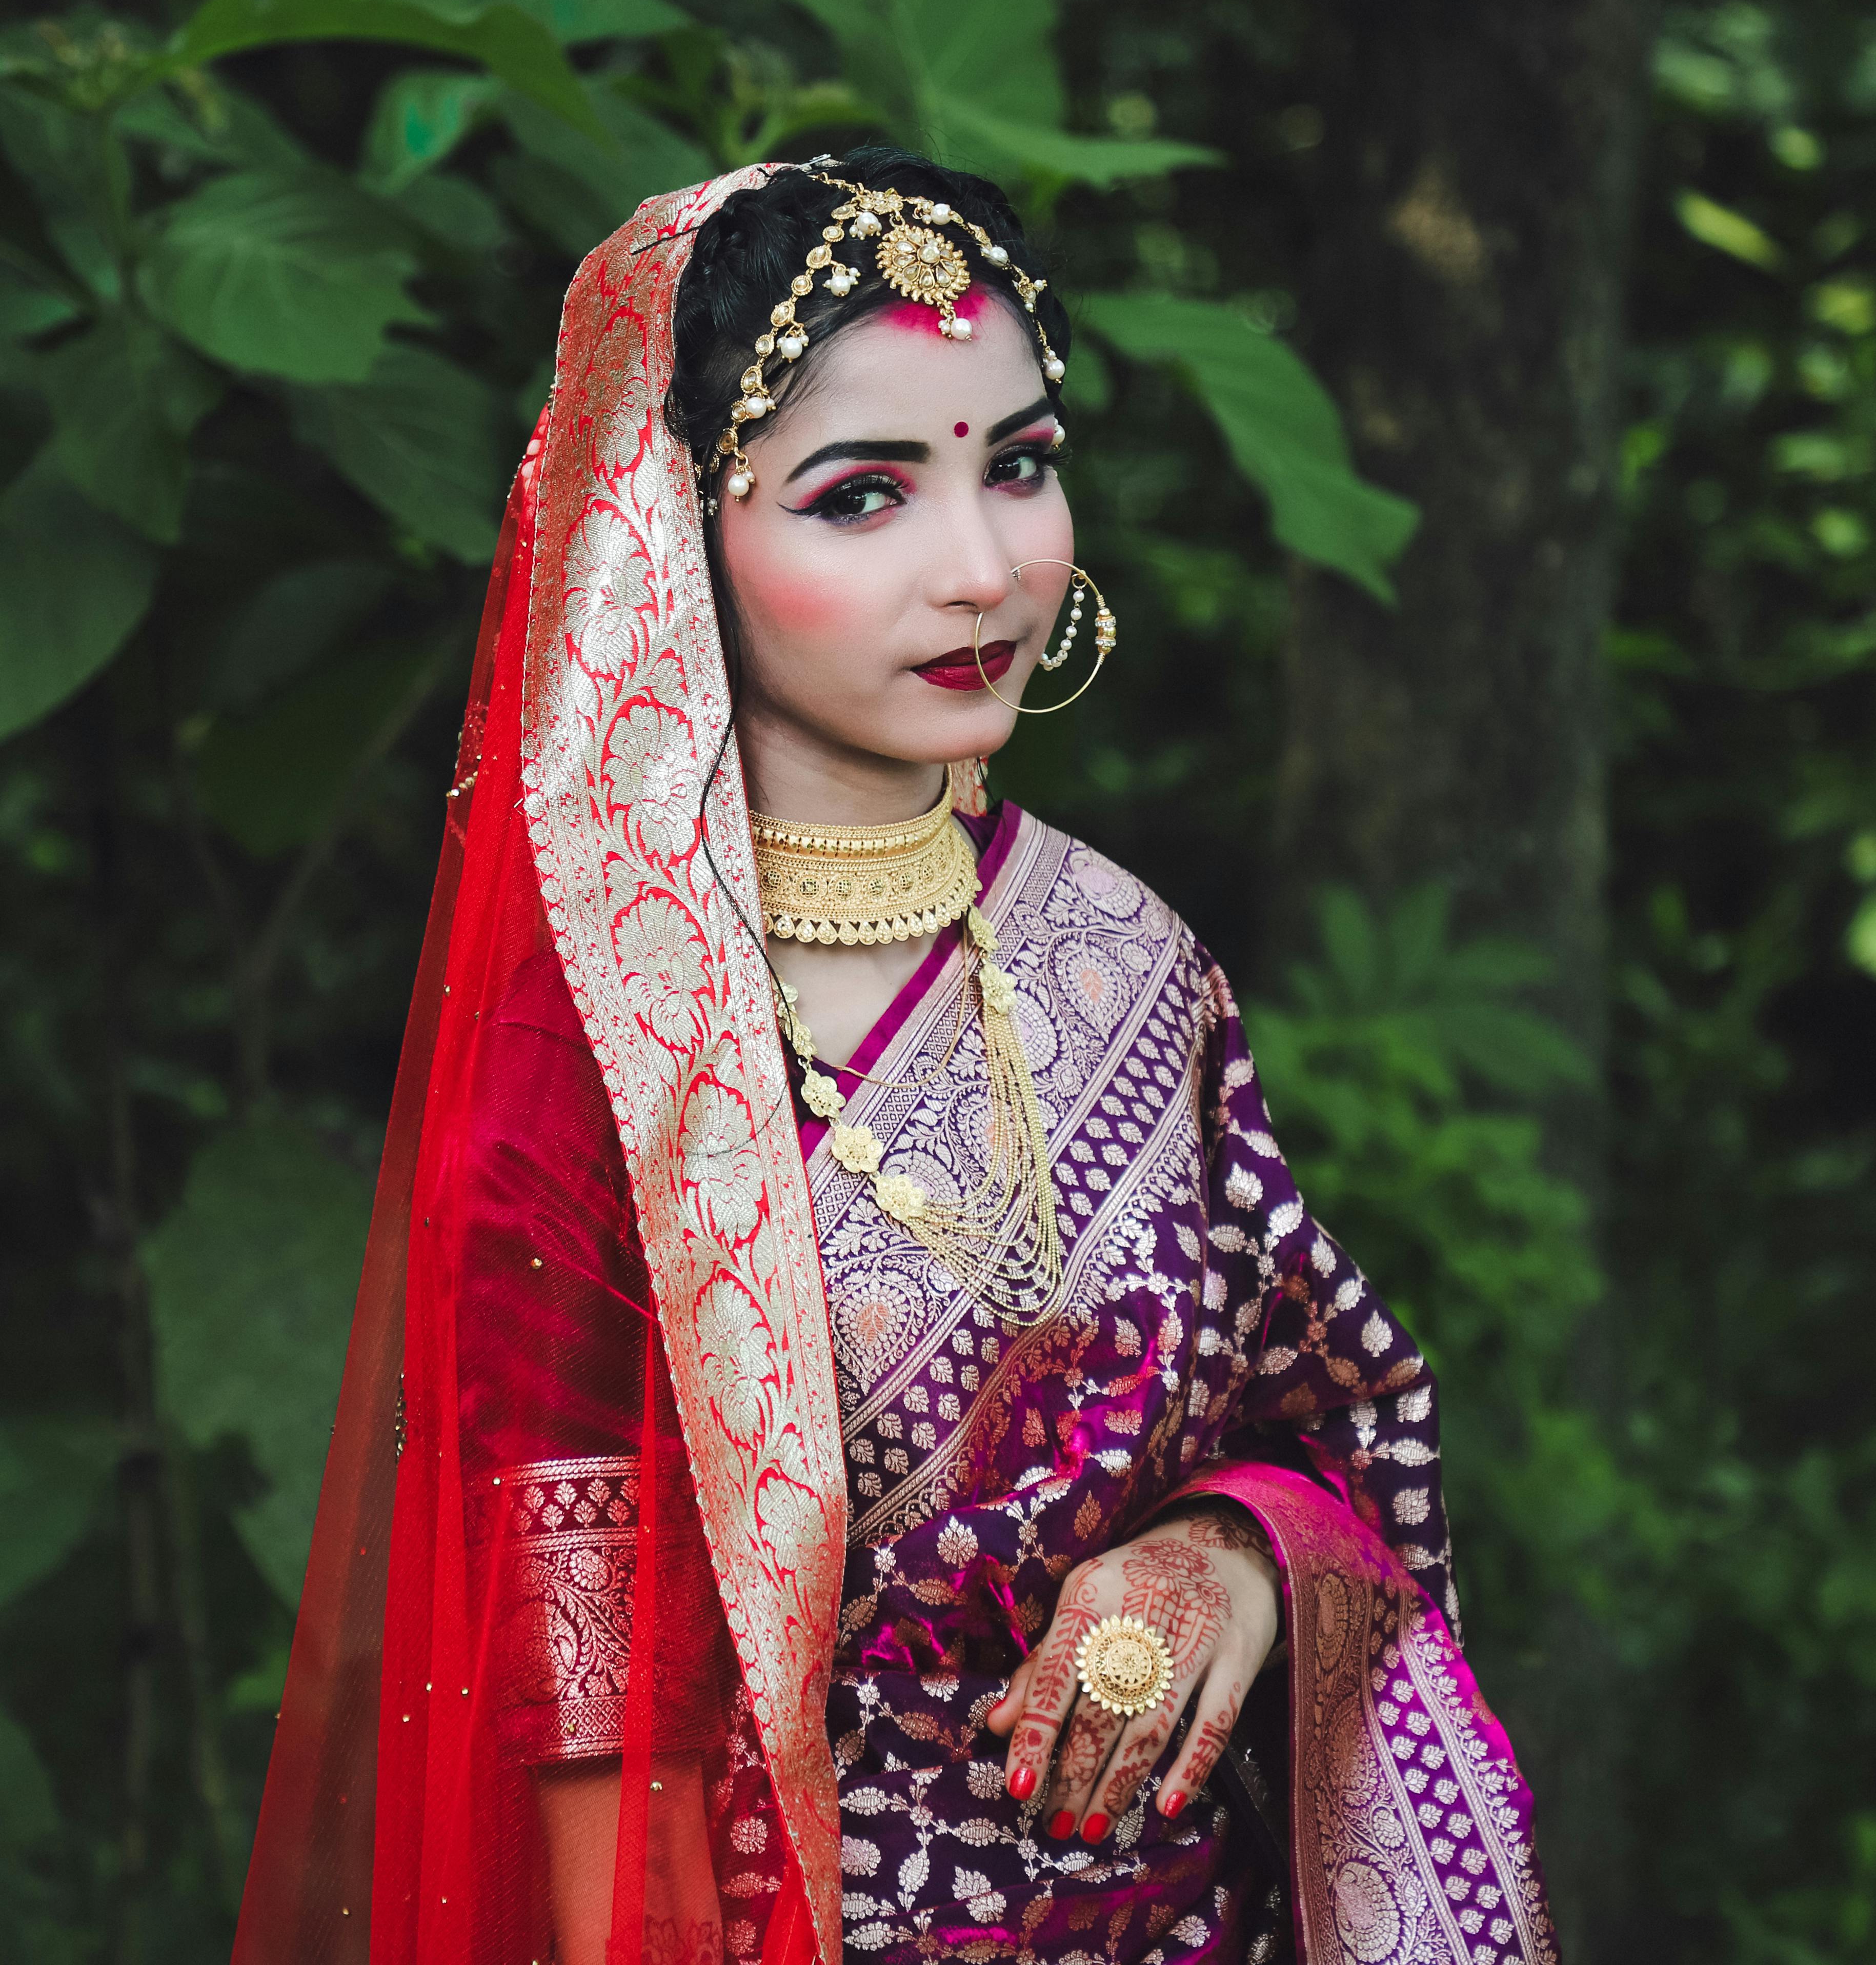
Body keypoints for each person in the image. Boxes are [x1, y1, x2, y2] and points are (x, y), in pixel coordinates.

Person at [232, 149, 1556, 1965]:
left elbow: (1324, 1427)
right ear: (675, 536)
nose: (985, 565)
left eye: (1018, 464)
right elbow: (593, 1759)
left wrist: (1227, 1566)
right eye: (866, 497)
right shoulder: (595, 1075)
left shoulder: (1133, 966)